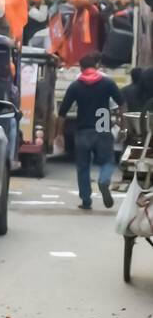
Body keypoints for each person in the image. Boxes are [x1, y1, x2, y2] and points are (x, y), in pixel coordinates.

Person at [58, 53, 123, 209]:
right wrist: (123, 124)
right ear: (97, 66)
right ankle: (103, 180)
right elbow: (121, 104)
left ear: (80, 68)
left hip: (83, 130)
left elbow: (62, 113)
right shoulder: (108, 83)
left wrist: (59, 133)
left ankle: (86, 200)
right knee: (108, 160)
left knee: (83, 167)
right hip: (102, 127)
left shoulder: (75, 85)